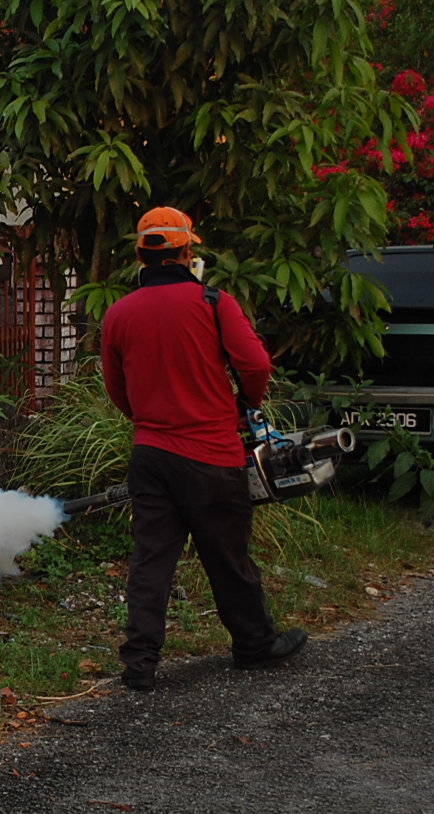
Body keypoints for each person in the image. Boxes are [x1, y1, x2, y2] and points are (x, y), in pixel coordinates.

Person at [99, 206, 307, 691]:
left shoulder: (119, 313)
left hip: (151, 455)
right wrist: (244, 403)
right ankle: (254, 645)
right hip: (212, 454)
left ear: (141, 256)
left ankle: (140, 663)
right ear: (187, 250)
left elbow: (116, 388)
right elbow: (256, 365)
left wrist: (149, 423)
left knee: (152, 559)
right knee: (228, 555)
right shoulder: (214, 303)